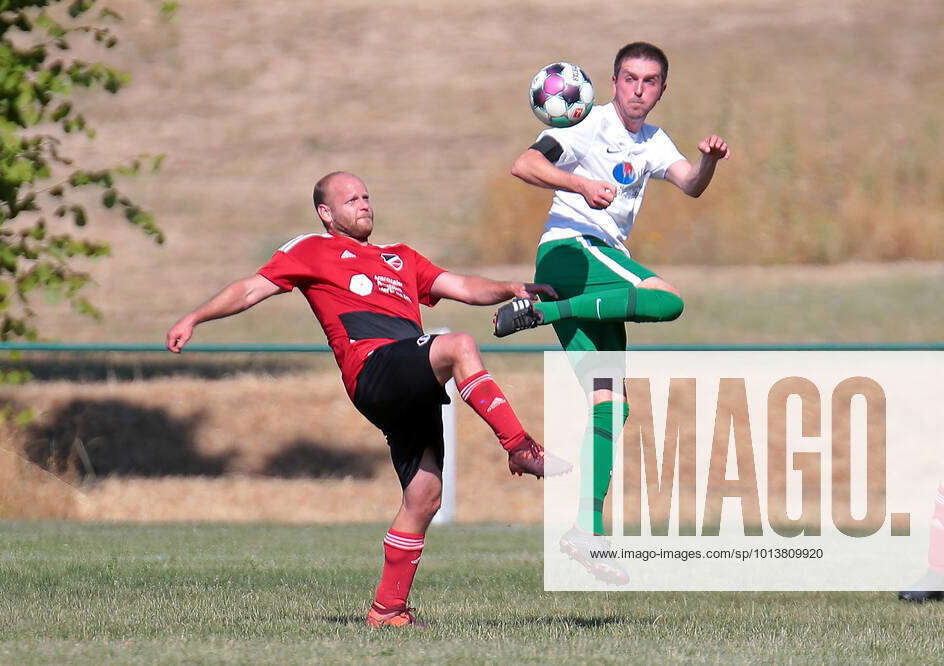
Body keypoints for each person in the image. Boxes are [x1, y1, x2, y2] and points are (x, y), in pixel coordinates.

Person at [166, 171, 570, 627]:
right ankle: (520, 447)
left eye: (366, 196)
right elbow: (250, 289)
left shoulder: (400, 258)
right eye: (351, 199)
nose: (363, 204)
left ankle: (387, 610)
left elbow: (461, 286)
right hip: (372, 368)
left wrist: (510, 288)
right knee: (459, 346)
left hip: (409, 378)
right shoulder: (311, 250)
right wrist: (195, 317)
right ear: (326, 213)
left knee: (425, 496)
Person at [494, 42, 731, 582]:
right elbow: (523, 163)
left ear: (662, 89)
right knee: (667, 299)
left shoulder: (653, 141)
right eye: (629, 79)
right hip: (575, 250)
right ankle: (544, 312)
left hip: (592, 272)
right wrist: (579, 183)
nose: (638, 89)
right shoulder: (584, 124)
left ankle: (584, 531)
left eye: (650, 81)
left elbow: (690, 185)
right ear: (613, 81)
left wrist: (708, 163)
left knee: (609, 405)